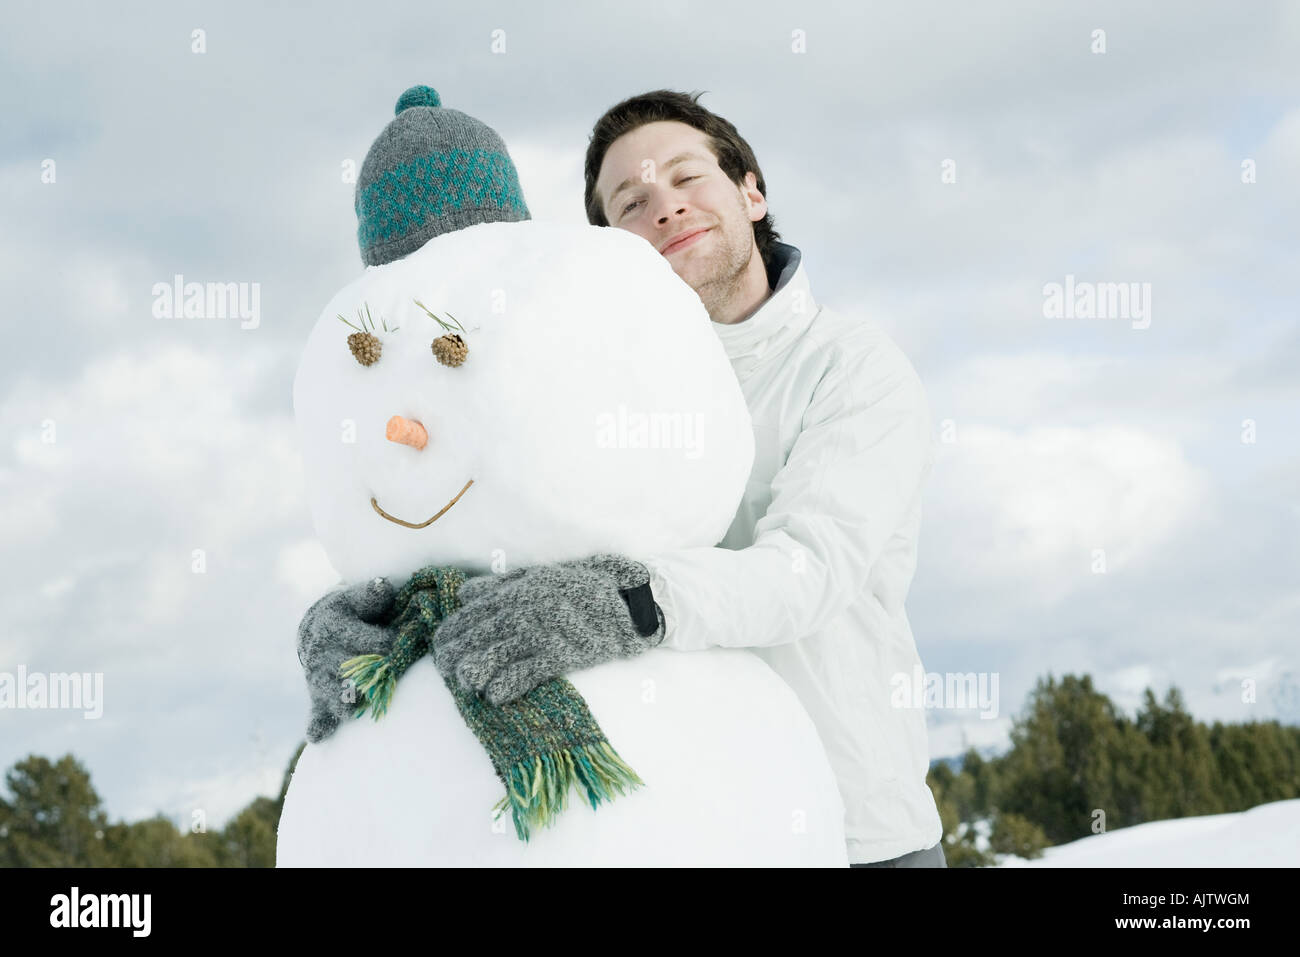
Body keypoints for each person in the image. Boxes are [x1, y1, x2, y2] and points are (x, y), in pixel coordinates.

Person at [300, 87, 946, 868]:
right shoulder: (593, 384)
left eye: (686, 177)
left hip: (858, 830)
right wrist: (380, 626)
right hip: (685, 827)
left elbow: (808, 569)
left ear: (751, 189)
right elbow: (507, 527)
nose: (666, 208)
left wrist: (626, 601)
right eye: (631, 201)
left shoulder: (849, 366)